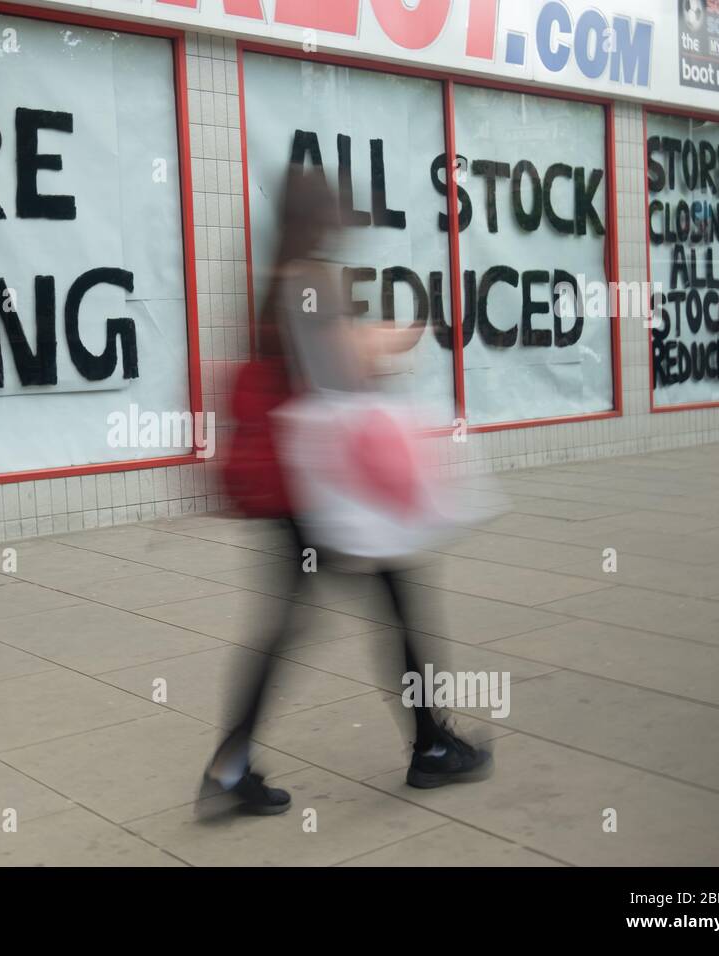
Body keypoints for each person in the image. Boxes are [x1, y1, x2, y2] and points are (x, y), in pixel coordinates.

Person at [200, 164, 492, 815]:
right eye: (334, 208)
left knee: (291, 625)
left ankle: (229, 768)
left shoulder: (278, 278)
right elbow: (335, 377)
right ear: (319, 217)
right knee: (396, 602)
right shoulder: (309, 279)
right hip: (323, 490)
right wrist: (387, 341)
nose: (343, 218)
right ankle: (429, 748)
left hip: (296, 486)